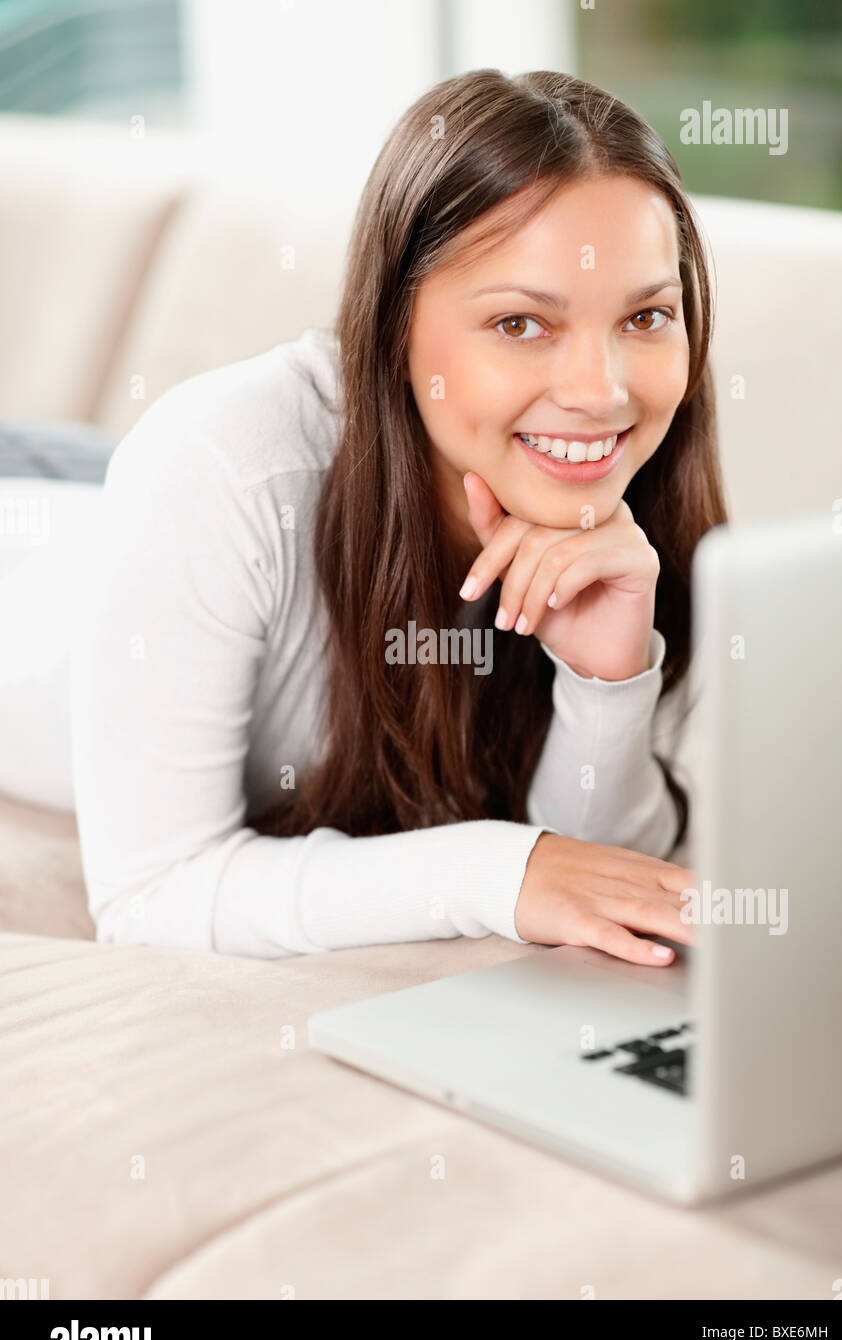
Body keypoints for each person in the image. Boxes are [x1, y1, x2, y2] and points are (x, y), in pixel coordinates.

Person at [2, 70, 727, 962]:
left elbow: (605, 874)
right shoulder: (220, 462)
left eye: (647, 315)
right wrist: (498, 871)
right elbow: (150, 896)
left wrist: (606, 679)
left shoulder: (633, 515)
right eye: (521, 325)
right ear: (391, 327)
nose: (602, 391)